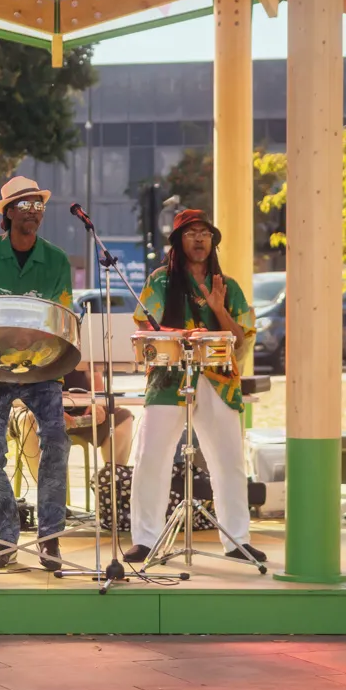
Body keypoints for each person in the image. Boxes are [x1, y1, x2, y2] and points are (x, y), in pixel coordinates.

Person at [125, 207, 262, 565]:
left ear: (213, 241)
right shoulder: (159, 282)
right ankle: (145, 539)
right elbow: (145, 330)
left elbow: (241, 339)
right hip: (169, 377)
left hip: (217, 379)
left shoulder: (228, 286)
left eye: (205, 233)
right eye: (190, 233)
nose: (199, 239)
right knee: (150, 457)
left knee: (229, 460)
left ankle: (237, 540)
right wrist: (184, 335)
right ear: (177, 241)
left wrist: (219, 309)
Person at [0, 175, 74, 572]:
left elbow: (61, 315)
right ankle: (3, 540)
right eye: (24, 206)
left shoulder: (55, 260)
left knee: (56, 442)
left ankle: (50, 539)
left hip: (41, 365)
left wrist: (36, 349)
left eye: (38, 205)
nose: (33, 213)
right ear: (7, 214)